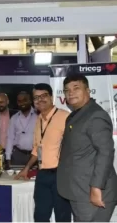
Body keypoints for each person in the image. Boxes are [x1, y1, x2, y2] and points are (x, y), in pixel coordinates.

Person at [57, 74, 117, 222]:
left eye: (76, 88)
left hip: (92, 193)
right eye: (67, 90)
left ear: (88, 91)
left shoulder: (95, 115)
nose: (70, 92)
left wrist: (96, 187)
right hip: (79, 190)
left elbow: (106, 152)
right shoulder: (77, 115)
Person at [15, 83, 72, 222]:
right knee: (40, 216)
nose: (40, 100)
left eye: (44, 96)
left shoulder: (66, 117)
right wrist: (26, 169)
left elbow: (74, 147)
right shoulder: (39, 119)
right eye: (36, 97)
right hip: (42, 175)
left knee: (62, 216)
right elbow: (37, 149)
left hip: (61, 175)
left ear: (52, 97)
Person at [5, 91, 37, 165]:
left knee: (34, 176)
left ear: (30, 100)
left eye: (25, 100)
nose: (22, 103)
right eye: (19, 101)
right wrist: (8, 158)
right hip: (18, 155)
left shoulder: (38, 116)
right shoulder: (14, 118)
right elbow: (10, 138)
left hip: (34, 155)